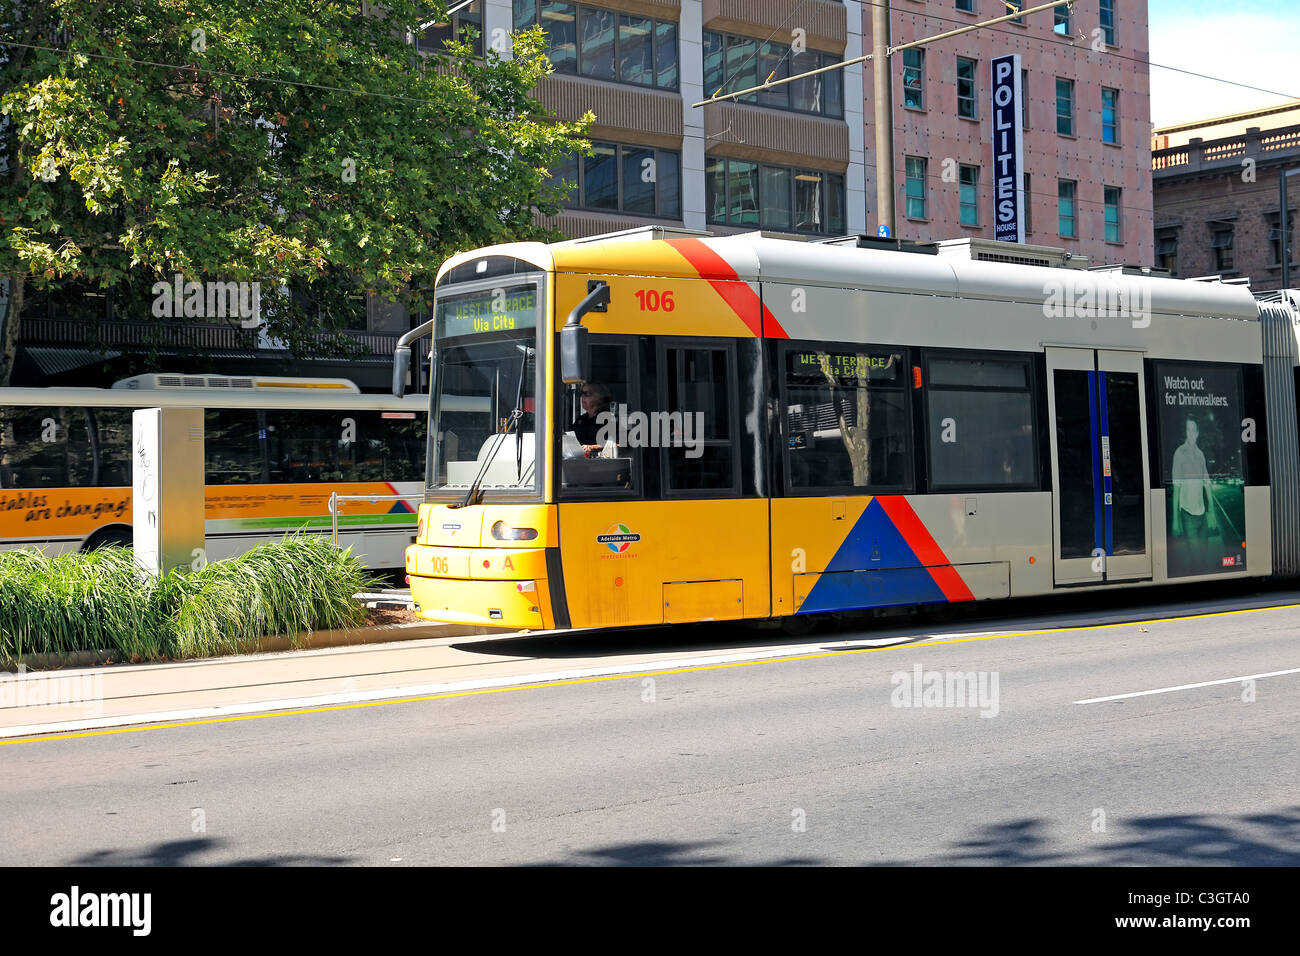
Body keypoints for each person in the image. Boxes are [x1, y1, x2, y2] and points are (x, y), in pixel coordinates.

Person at [1171, 416, 1218, 574]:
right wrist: (1175, 520)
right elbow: (1176, 488)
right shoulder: (1180, 453)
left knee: (1203, 559)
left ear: (1197, 433)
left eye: (1193, 430)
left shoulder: (1200, 455)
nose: (1191, 433)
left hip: (1202, 515)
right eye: (1188, 430)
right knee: (1197, 560)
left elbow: (1207, 485)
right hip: (1188, 516)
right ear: (1186, 432)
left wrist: (1211, 512)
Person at [568, 382, 613, 457]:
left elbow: (615, 444)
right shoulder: (581, 420)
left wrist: (592, 447)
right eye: (581, 393)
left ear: (599, 396)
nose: (582, 397)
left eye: (587, 394)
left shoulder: (608, 419)